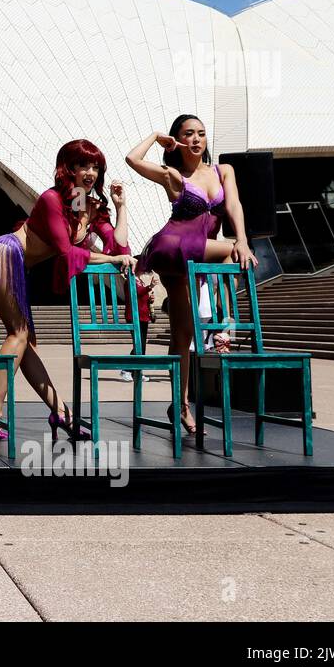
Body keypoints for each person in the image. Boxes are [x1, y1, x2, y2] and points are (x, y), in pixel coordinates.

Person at [0, 140, 134, 443]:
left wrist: (121, 206)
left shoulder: (80, 203)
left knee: (26, 342)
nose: (89, 172)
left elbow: (120, 246)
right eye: (82, 165)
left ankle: (60, 412)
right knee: (19, 335)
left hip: (20, 265)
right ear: (68, 168)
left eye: (95, 166)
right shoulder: (52, 200)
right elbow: (67, 252)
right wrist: (113, 257)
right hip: (4, 253)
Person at [126, 114, 257, 435]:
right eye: (188, 134)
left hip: (198, 249)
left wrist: (242, 238)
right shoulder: (173, 175)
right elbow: (132, 159)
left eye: (201, 134)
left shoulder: (223, 170)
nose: (196, 139)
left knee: (182, 336)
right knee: (226, 252)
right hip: (174, 246)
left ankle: (180, 404)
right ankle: (224, 328)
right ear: (178, 140)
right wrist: (157, 136)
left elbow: (234, 206)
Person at [121, 270, 158, 382]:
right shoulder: (129, 281)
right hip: (134, 316)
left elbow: (141, 297)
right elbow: (136, 293)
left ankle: (137, 371)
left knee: (142, 346)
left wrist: (149, 298)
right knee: (138, 345)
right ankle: (127, 370)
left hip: (143, 316)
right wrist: (149, 287)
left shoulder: (139, 281)